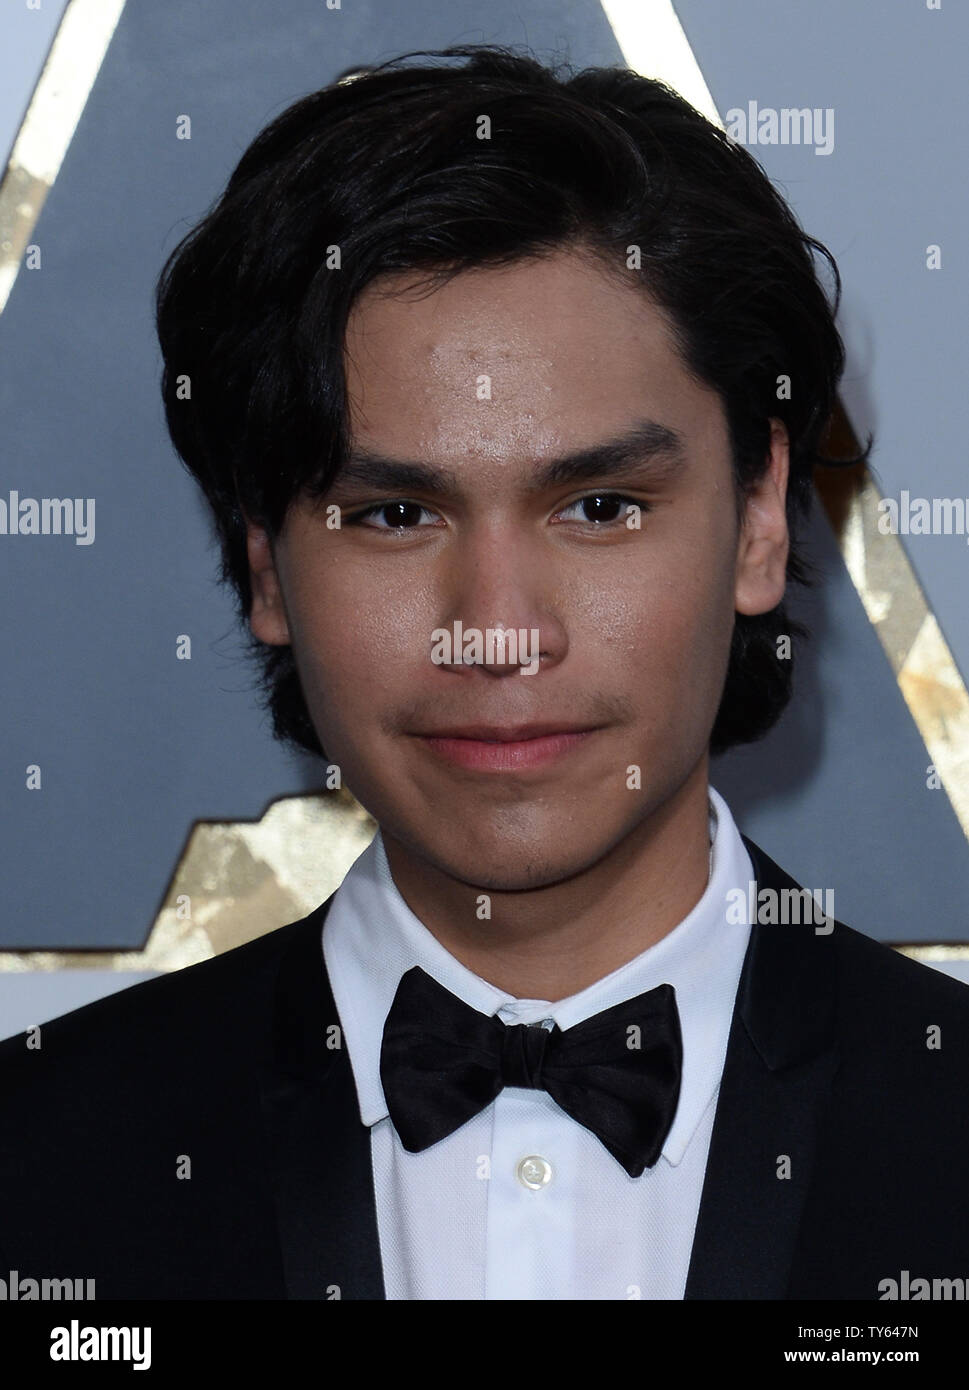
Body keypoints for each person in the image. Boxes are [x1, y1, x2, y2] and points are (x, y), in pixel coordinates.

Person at [2, 44, 967, 1302]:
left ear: (764, 514)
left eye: (603, 505)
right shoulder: (38, 1168)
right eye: (396, 517)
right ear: (264, 561)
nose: (499, 633)